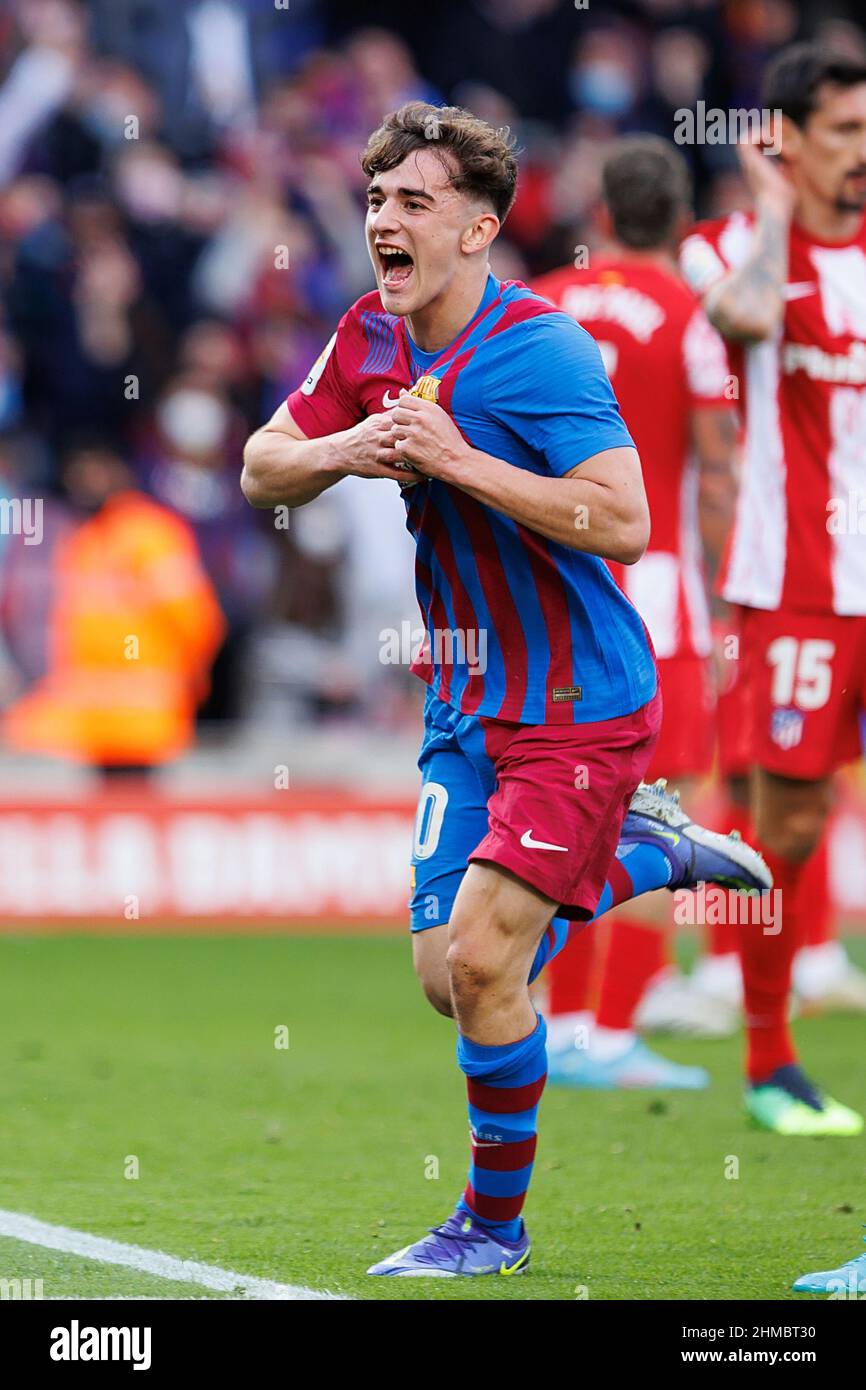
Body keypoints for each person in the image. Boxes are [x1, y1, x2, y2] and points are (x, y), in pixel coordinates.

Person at [242, 102, 770, 1278]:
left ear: (479, 229)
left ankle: (491, 1228)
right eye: (377, 200)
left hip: (577, 699)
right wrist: (348, 450)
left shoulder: (538, 349)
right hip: (465, 704)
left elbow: (625, 521)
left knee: (486, 957)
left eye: (413, 202)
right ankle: (651, 856)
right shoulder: (366, 340)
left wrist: (455, 461)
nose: (385, 219)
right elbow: (259, 462)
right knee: (449, 980)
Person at [680, 42, 866, 1138]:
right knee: (783, 821)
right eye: (841, 134)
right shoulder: (732, 248)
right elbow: (745, 320)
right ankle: (768, 1057)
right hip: (794, 588)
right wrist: (772, 207)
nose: (860, 158)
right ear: (783, 139)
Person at [533, 135, 738, 1089]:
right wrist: (736, 598)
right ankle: (611, 1030)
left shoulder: (537, 302)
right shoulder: (693, 316)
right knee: (661, 814)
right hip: (656, 592)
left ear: (602, 216)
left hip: (550, 585)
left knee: (568, 804)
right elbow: (718, 475)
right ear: (683, 218)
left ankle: (560, 1021)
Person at [4, 442, 225, 776]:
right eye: (77, 473)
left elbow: (197, 619)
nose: (84, 481)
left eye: (93, 470)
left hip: (144, 721)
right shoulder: (84, 538)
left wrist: (191, 681)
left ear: (118, 471)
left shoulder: (149, 533)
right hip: (90, 722)